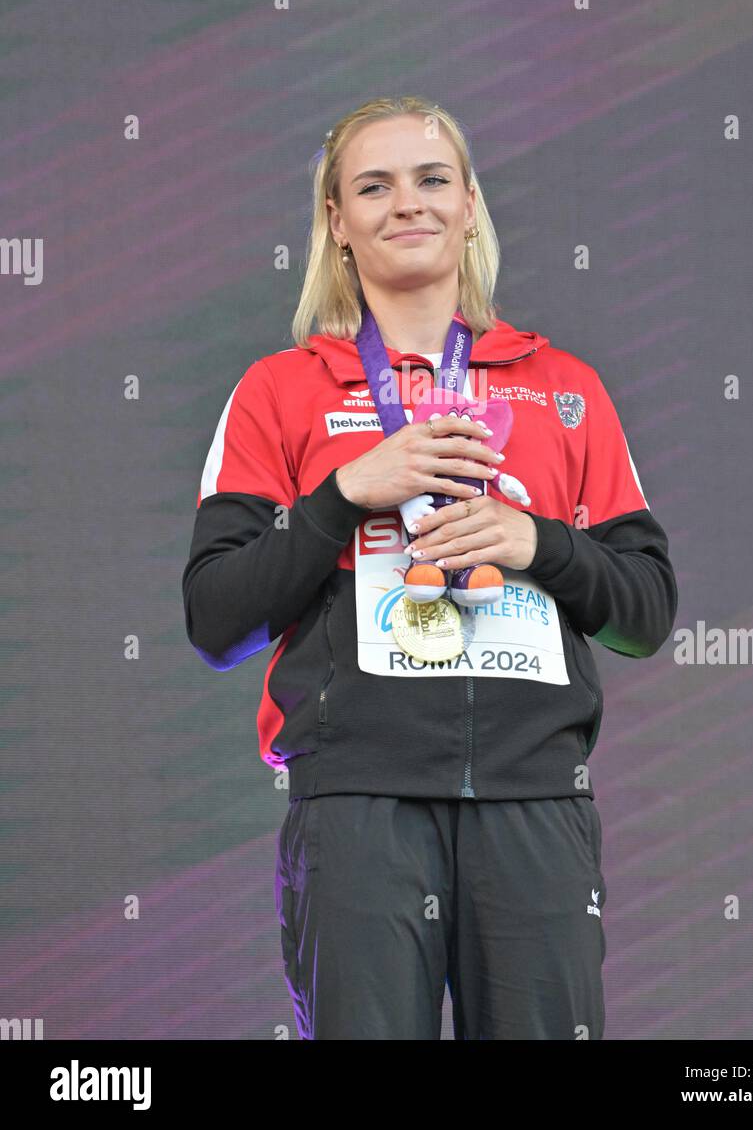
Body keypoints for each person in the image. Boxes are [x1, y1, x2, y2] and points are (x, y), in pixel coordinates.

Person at [181, 94, 678, 1041]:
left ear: (469, 205)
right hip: (359, 809)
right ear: (337, 223)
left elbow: (646, 612)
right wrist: (345, 493)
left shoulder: (563, 386)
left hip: (535, 805)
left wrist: (538, 542)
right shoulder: (279, 391)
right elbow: (216, 619)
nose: (406, 203)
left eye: (431, 179)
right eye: (373, 185)